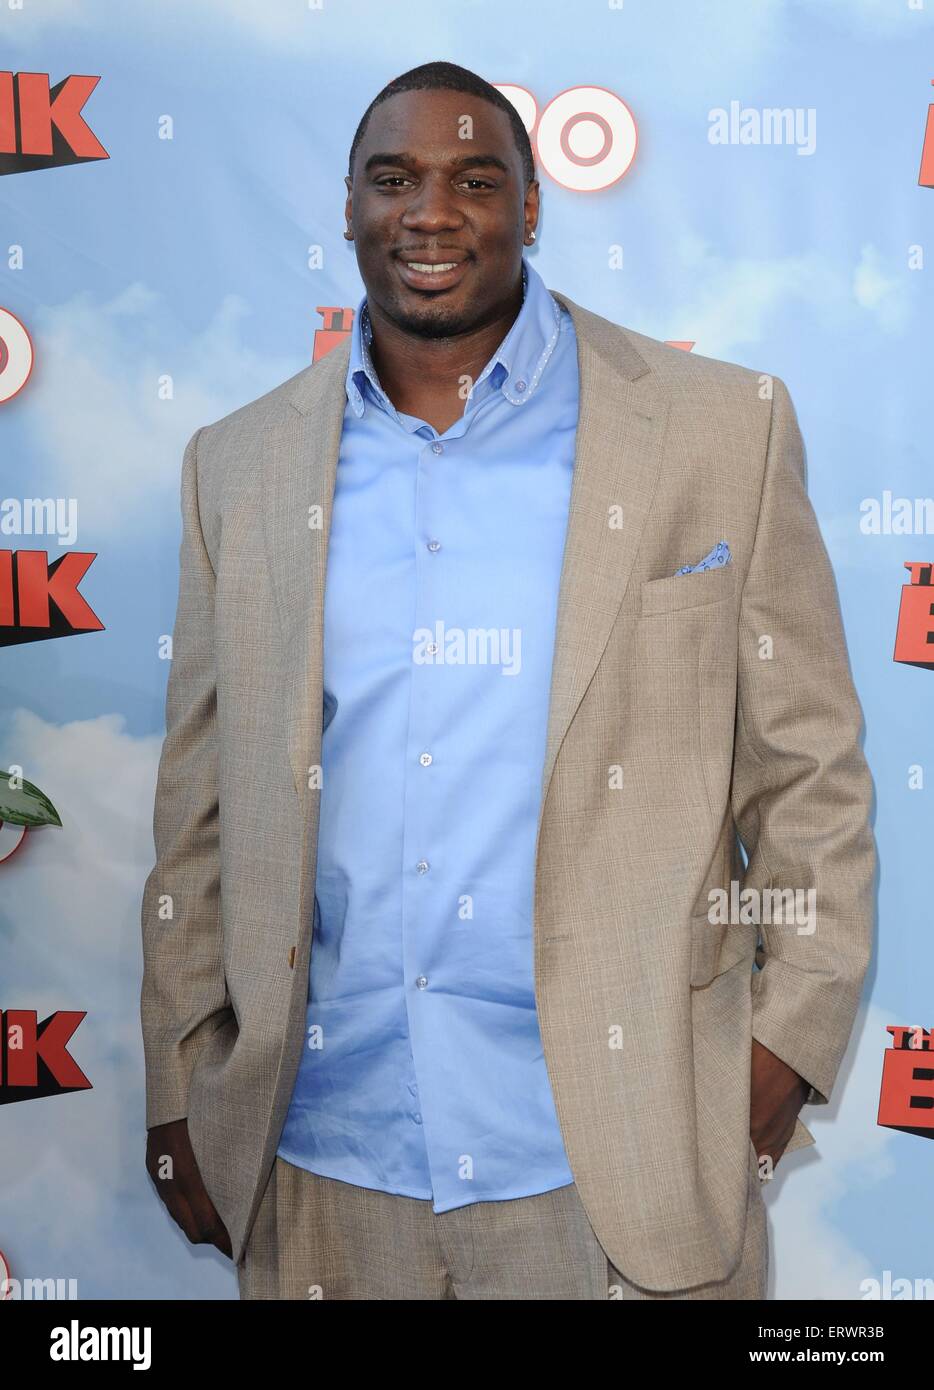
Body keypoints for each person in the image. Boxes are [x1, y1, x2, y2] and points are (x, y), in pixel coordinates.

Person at [141, 61, 876, 1300]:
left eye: (475, 180)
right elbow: (199, 811)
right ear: (346, 209)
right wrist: (180, 1080)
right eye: (394, 180)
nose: (431, 214)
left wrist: (781, 1047)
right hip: (324, 1163)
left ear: (532, 207)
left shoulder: (716, 429)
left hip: (621, 1166)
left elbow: (810, 779)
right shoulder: (240, 465)